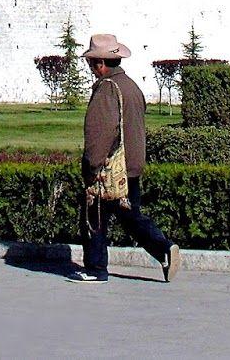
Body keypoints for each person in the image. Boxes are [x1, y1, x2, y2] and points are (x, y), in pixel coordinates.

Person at [68, 33, 181, 284]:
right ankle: (164, 249)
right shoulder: (131, 86)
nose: (91, 69)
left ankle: (96, 269)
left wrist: (91, 167)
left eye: (91, 63)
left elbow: (100, 133)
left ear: (100, 63)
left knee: (93, 217)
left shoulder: (107, 89)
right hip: (131, 167)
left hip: (109, 170)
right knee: (131, 218)